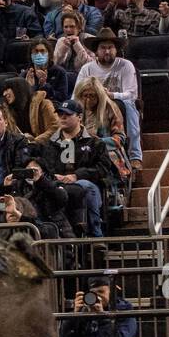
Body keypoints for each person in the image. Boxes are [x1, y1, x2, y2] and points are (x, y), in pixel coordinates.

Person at [45, 97, 115, 235]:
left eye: (67, 115)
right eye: (60, 115)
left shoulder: (95, 143)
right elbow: (45, 166)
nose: (63, 118)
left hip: (87, 184)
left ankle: (96, 234)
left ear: (79, 117)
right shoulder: (50, 144)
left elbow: (103, 168)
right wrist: (54, 176)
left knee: (84, 186)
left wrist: (77, 176)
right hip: (57, 184)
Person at [76, 27, 142, 169]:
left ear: (116, 49)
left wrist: (111, 95)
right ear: (96, 51)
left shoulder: (125, 65)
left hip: (118, 107)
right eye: (103, 48)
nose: (107, 51)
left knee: (129, 105)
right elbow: (76, 96)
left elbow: (131, 94)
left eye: (110, 47)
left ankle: (135, 155)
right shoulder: (86, 69)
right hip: (92, 106)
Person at [59, 275, 137, 337]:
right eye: (93, 293)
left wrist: (102, 317)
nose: (97, 297)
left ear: (112, 292)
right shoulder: (88, 311)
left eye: (101, 292)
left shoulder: (125, 313)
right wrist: (74, 316)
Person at [2, 76, 59, 141]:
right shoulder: (8, 112)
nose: (4, 94)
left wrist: (34, 142)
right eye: (4, 91)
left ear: (18, 89)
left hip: (44, 148)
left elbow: (55, 128)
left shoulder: (44, 105)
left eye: (7, 89)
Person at [23, 36, 72, 104]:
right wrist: (29, 87)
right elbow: (22, 100)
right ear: (31, 55)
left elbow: (62, 98)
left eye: (42, 51)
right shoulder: (26, 74)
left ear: (49, 54)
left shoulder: (59, 72)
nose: (39, 54)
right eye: (36, 51)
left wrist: (44, 85)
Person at [53, 10, 95, 76]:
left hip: (84, 76)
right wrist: (64, 48)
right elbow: (56, 64)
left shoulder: (89, 39)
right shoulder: (61, 41)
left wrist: (77, 45)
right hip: (65, 76)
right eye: (66, 27)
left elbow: (92, 66)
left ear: (79, 27)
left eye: (72, 26)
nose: (68, 30)